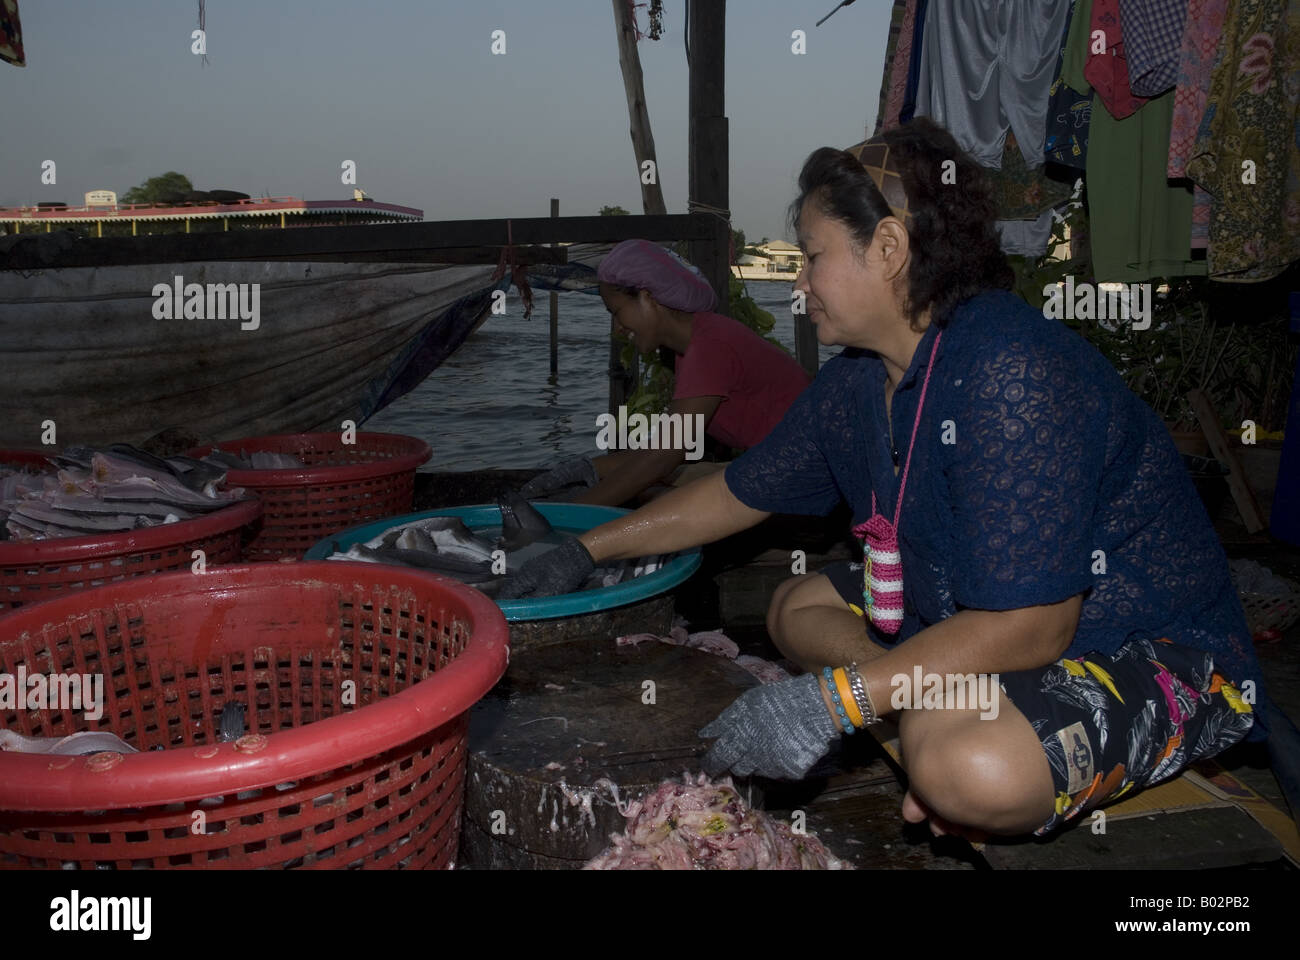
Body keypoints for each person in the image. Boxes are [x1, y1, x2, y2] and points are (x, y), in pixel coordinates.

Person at [502, 118, 1268, 841]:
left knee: (967, 766)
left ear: (891, 247)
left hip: (1149, 646)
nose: (800, 282)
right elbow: (734, 492)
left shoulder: (1012, 370)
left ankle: (947, 734)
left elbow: (1038, 626)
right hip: (974, 621)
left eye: (812, 254)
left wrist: (837, 700)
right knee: (797, 604)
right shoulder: (860, 383)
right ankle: (940, 709)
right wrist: (586, 550)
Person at [519, 240, 811, 507]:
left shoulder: (709, 348)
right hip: (783, 469)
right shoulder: (695, 345)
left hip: (807, 482)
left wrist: (571, 513)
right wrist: (587, 469)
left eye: (616, 312)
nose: (618, 328)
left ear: (648, 297)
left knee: (651, 504)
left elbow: (664, 456)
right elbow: (662, 450)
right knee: (649, 492)